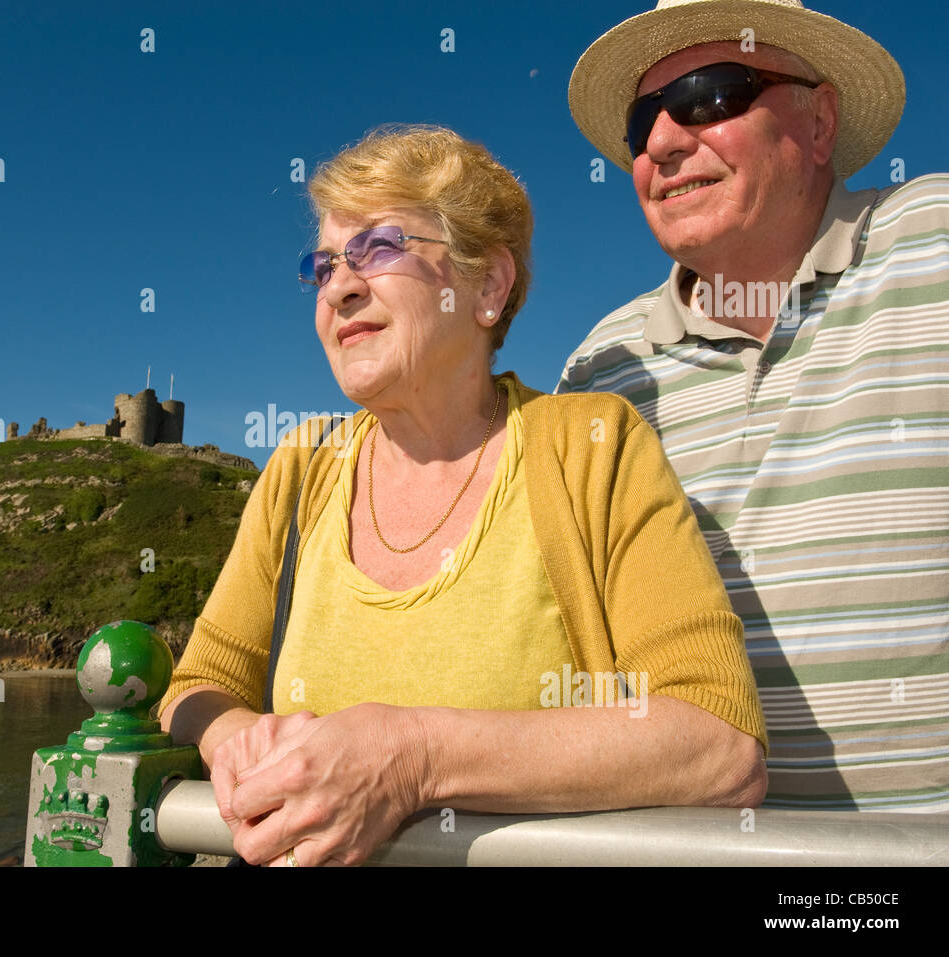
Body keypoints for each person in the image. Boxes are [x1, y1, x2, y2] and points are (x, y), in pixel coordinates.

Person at [157, 125, 767, 867]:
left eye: (379, 248)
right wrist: (238, 742)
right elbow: (200, 686)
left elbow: (717, 742)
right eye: (323, 267)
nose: (340, 287)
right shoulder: (302, 466)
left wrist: (413, 757)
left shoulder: (593, 447)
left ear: (488, 286)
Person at [559, 0, 949, 812]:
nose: (662, 142)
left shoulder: (935, 241)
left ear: (819, 122)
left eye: (708, 94)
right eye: (641, 122)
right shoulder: (601, 369)